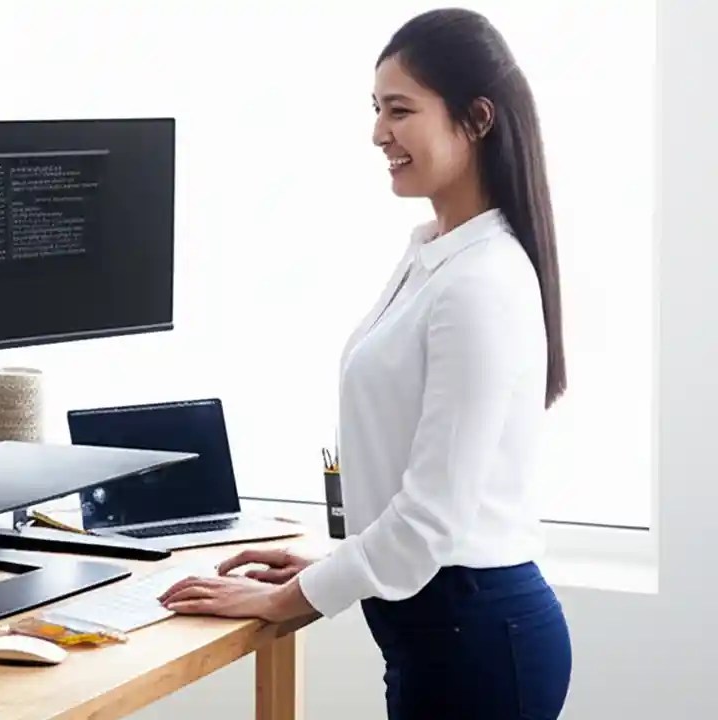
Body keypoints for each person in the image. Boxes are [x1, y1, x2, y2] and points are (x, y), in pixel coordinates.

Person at [158, 8, 573, 719]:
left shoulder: (480, 282)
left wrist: (290, 597)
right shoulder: (434, 256)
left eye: (401, 109)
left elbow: (433, 517)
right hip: (440, 632)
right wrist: (330, 567)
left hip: (473, 641)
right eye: (377, 108)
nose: (379, 132)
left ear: (476, 119)